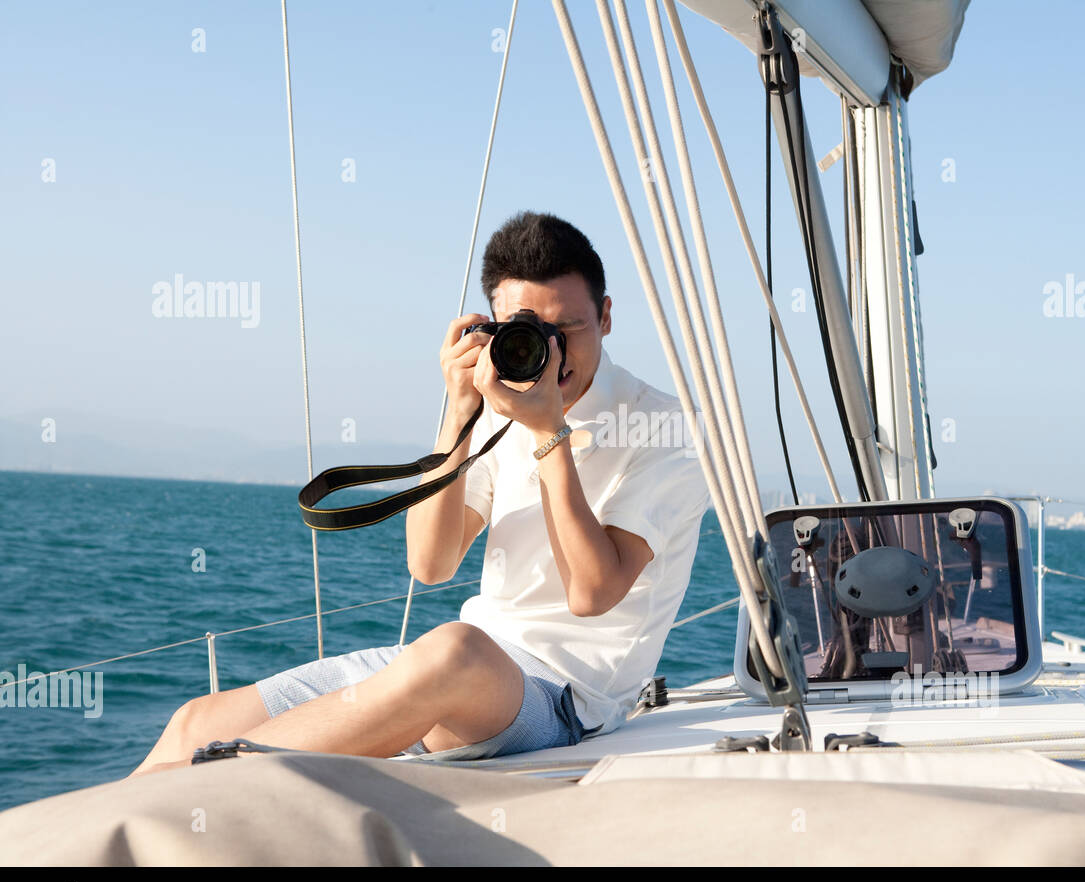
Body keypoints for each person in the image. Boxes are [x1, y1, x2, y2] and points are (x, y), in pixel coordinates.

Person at [129, 211, 711, 775]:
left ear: (606, 317)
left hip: (565, 698)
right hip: (464, 665)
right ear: (495, 327)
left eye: (569, 329)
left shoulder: (668, 428)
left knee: (452, 649)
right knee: (194, 719)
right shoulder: (497, 404)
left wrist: (547, 431)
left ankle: (203, 781)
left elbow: (591, 593)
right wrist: (460, 410)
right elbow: (430, 564)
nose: (551, 351)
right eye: (530, 332)